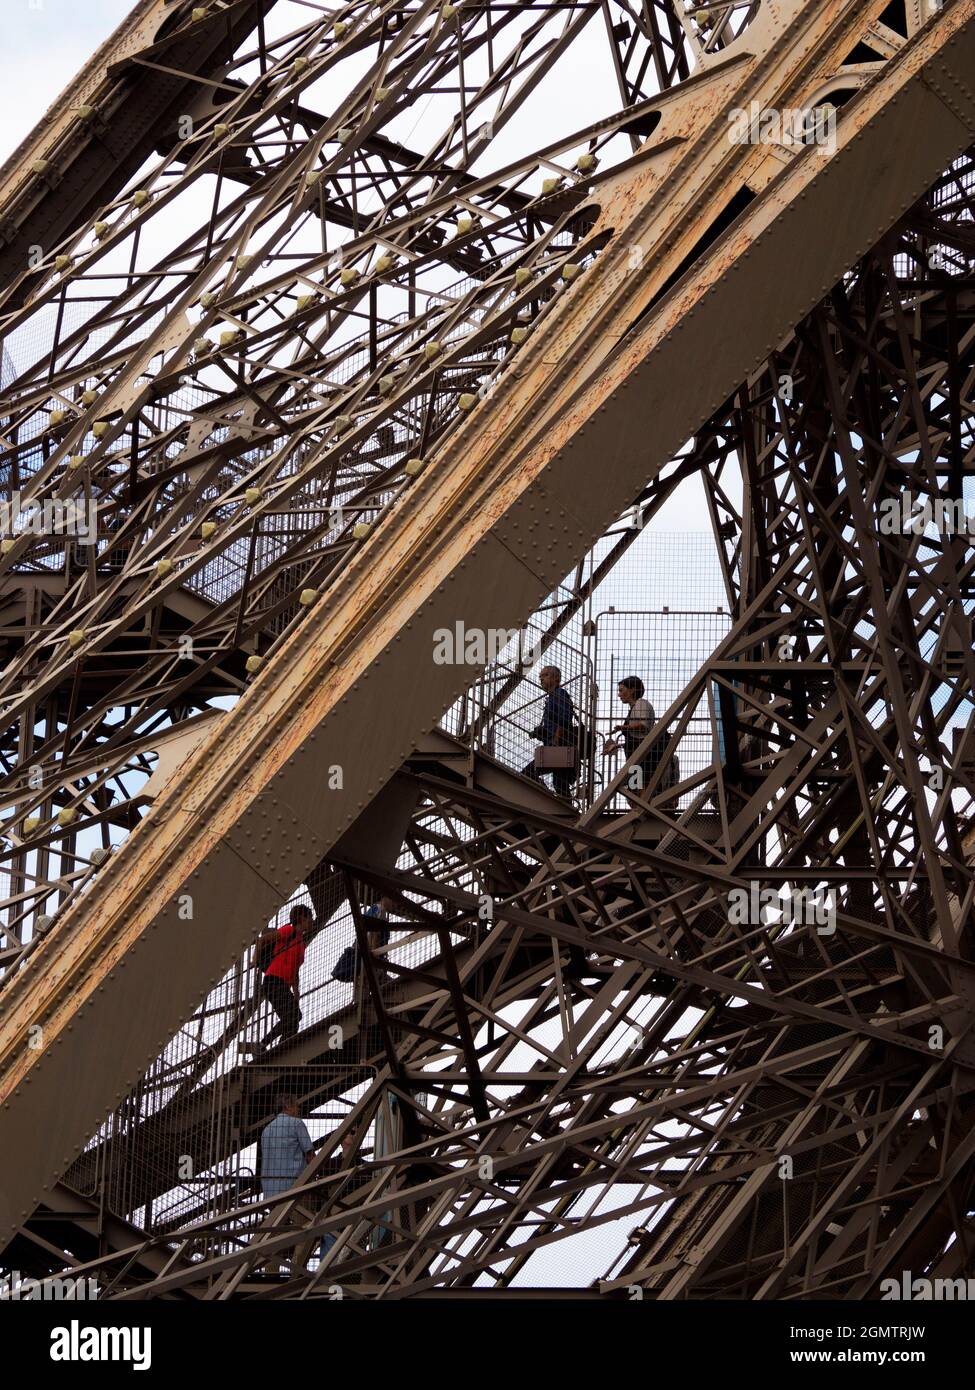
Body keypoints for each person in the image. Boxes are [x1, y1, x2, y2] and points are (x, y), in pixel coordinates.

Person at [258, 1093, 316, 1274]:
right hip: (295, 1189)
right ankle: (297, 1270)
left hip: (272, 1191)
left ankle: (270, 1272)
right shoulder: (296, 1124)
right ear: (287, 1107)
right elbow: (310, 1156)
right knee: (305, 1229)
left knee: (275, 1235)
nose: (298, 1109)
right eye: (296, 1106)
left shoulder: (266, 1131)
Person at [246, 903, 312, 1057]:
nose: (312, 921)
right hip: (273, 980)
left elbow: (295, 970)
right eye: (310, 917)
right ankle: (263, 1045)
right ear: (301, 918)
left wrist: (296, 993)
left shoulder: (301, 943)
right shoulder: (289, 931)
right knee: (293, 1016)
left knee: (294, 1019)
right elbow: (262, 940)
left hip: (283, 984)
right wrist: (254, 960)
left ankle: (281, 1051)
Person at [521, 665, 576, 798]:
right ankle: (567, 810)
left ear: (556, 678)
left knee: (528, 773)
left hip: (558, 745)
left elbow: (565, 718)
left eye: (545, 675)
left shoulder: (560, 694)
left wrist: (556, 738)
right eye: (540, 676)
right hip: (556, 745)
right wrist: (540, 732)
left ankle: (548, 798)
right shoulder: (552, 697)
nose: (541, 679)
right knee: (560, 783)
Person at [603, 676, 664, 794]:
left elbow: (643, 725)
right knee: (635, 790)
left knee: (640, 790)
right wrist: (617, 745)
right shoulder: (635, 707)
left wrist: (623, 727)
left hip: (644, 759)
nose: (619, 694)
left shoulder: (641, 704)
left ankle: (642, 810)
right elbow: (637, 738)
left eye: (621, 690)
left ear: (632, 690)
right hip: (637, 758)